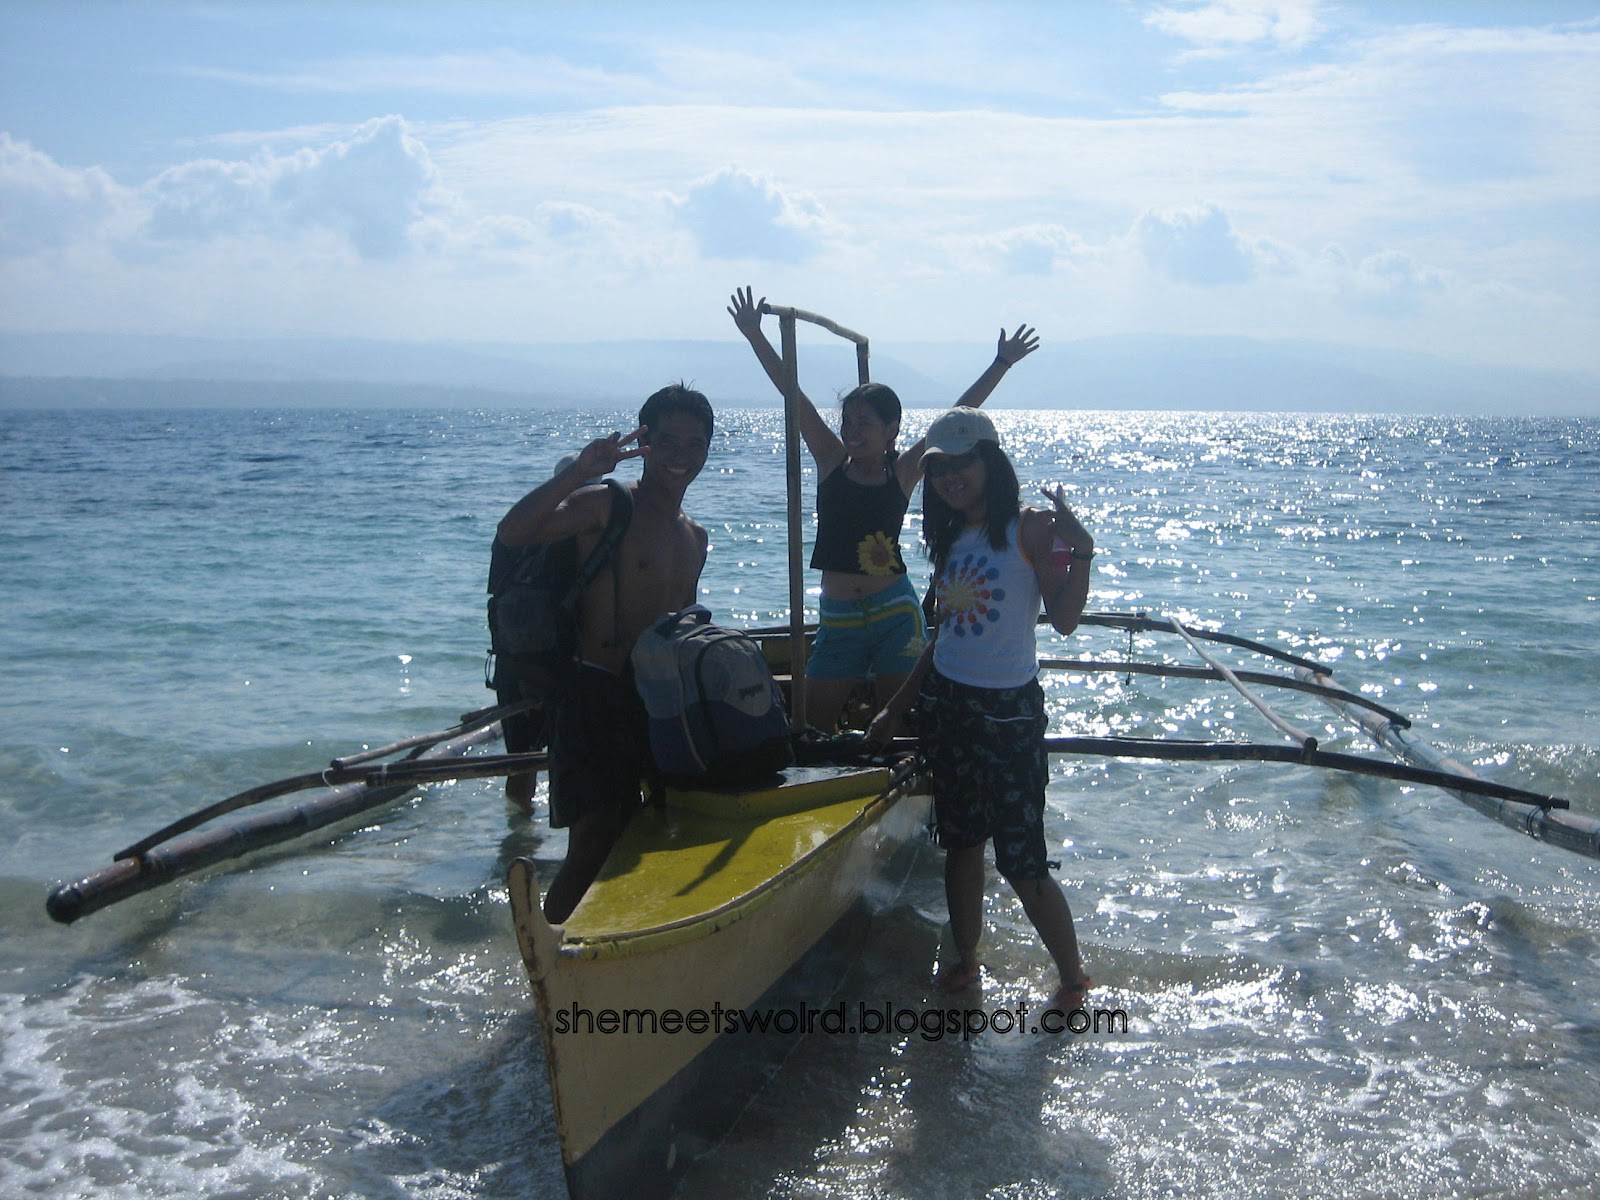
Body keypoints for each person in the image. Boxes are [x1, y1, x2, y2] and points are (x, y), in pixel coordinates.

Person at [867, 406, 1097, 1015]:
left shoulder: (1031, 528)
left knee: (1023, 859)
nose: (951, 477)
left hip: (1010, 714)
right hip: (950, 707)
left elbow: (1067, 620)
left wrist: (1083, 552)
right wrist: (896, 708)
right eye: (940, 467)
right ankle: (965, 960)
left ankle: (1073, 976)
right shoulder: (948, 538)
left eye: (964, 462)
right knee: (961, 842)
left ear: (991, 462)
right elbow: (945, 636)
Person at [728, 286, 1038, 732]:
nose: (852, 432)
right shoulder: (831, 461)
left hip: (895, 612)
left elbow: (960, 413)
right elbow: (792, 394)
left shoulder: (904, 471)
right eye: (847, 422)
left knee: (901, 730)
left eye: (864, 424)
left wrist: (1001, 363)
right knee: (813, 727)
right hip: (838, 616)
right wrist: (756, 336)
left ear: (891, 430)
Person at [496, 384, 713, 922]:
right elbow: (514, 532)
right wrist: (579, 470)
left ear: (709, 448)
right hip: (594, 694)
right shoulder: (606, 504)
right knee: (592, 842)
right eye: (666, 442)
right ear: (644, 443)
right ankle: (546, 968)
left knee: (644, 834)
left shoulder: (696, 536)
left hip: (657, 703)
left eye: (694, 443)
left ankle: (611, 947)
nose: (680, 455)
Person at [488, 452, 597, 809]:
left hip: (514, 667)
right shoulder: (583, 538)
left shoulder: (515, 533)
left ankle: (518, 838)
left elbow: (496, 597)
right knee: (574, 765)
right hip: (564, 668)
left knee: (521, 765)